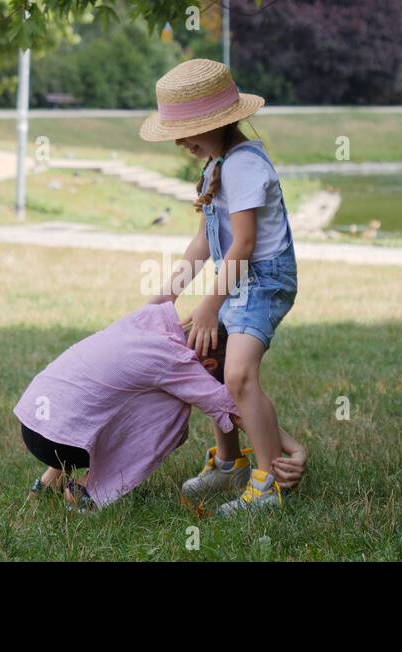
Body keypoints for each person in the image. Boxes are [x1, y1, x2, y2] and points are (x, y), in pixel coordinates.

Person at [140, 59, 299, 515]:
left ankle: (269, 484)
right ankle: (230, 462)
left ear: (219, 122)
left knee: (238, 375)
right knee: (208, 364)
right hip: (240, 279)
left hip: (264, 282)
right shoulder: (217, 163)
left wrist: (209, 306)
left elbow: (245, 243)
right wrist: (167, 293)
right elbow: (204, 242)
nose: (179, 141)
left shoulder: (243, 166)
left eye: (188, 129)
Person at [13, 302, 306, 511]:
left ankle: (49, 480)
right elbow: (232, 408)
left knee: (105, 396)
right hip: (59, 441)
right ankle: (87, 491)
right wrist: (294, 448)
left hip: (34, 421)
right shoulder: (176, 361)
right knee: (172, 416)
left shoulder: (150, 320)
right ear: (211, 364)